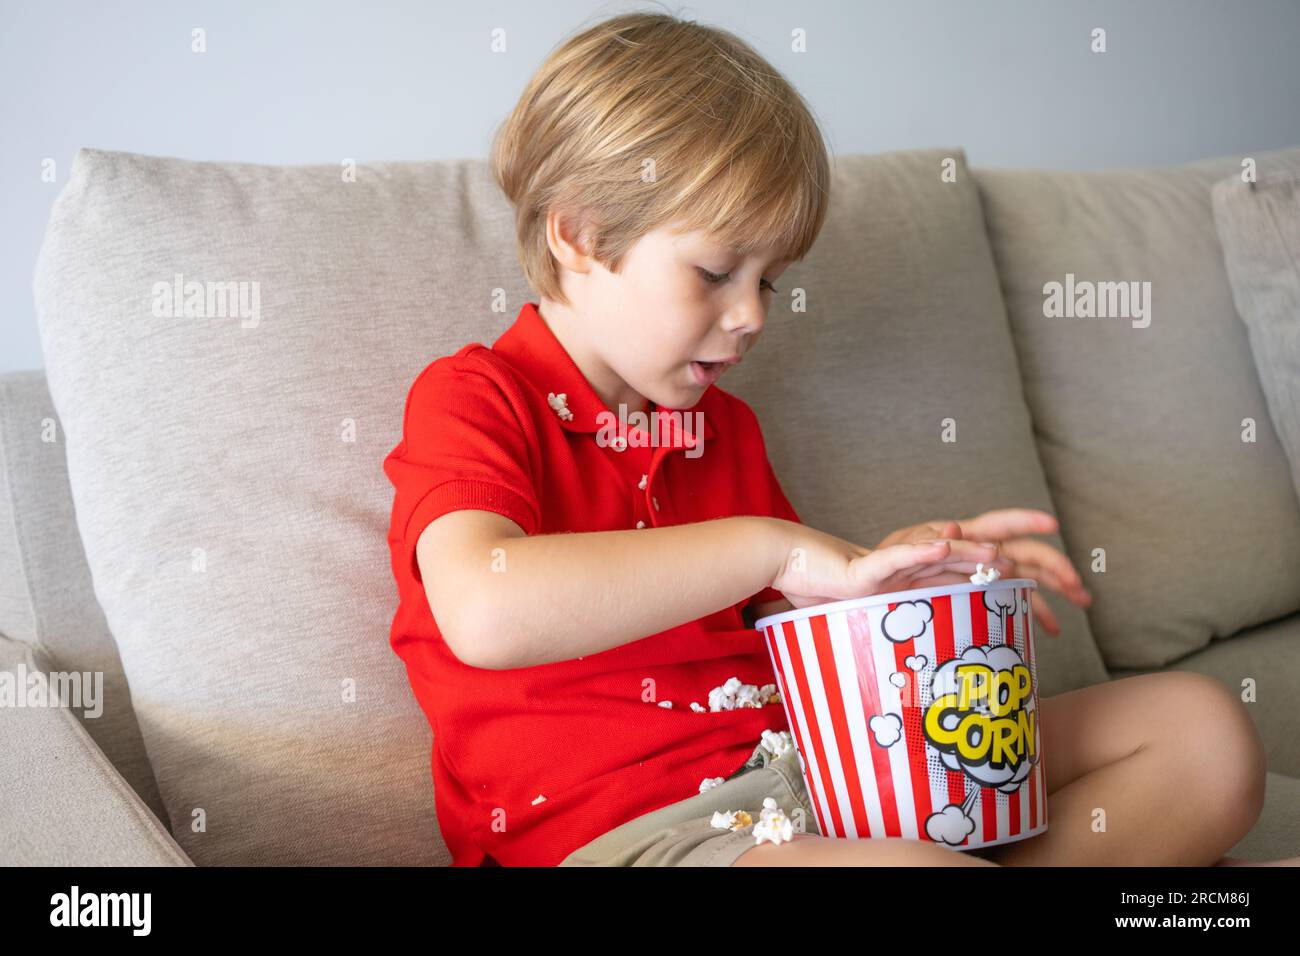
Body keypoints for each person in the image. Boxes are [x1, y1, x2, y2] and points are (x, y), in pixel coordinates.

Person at [382, 10, 1293, 867]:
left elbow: (791, 631)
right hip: (644, 836)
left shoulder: (722, 430)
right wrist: (769, 547)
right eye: (715, 271)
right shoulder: (475, 397)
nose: (751, 317)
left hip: (824, 781)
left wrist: (891, 581)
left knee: (1202, 733)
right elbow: (486, 613)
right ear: (579, 234)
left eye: (771, 282)